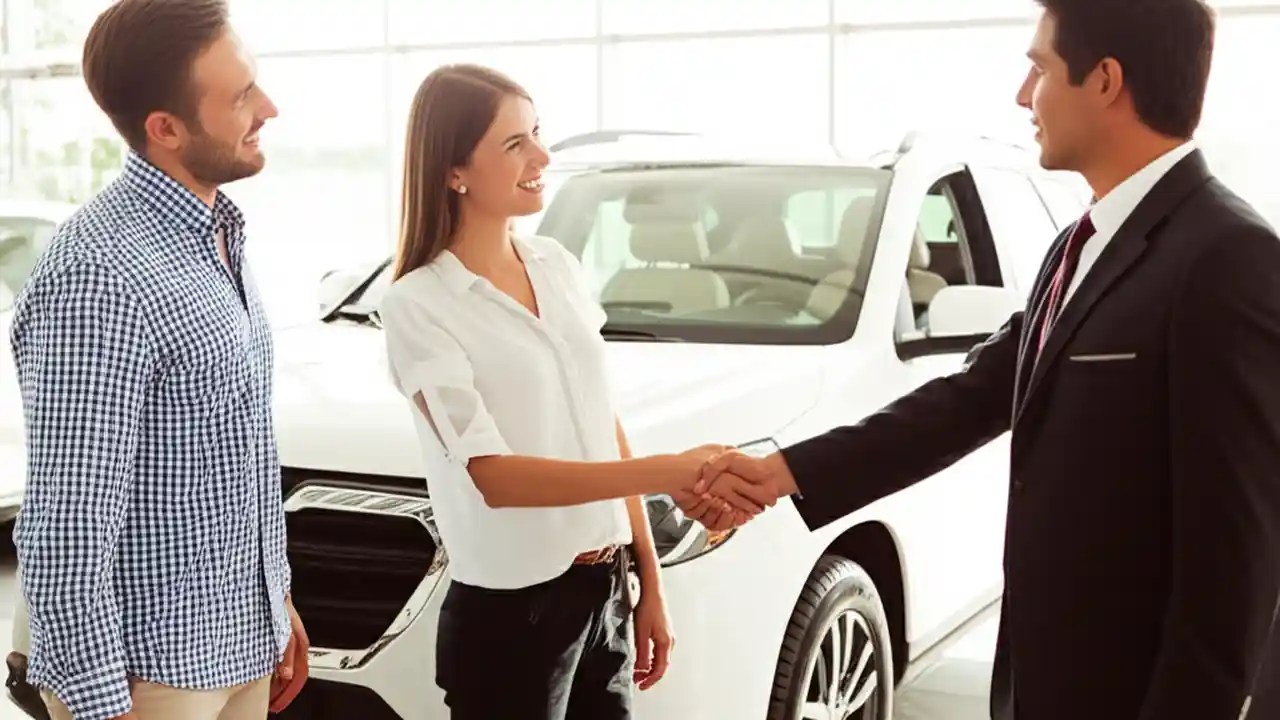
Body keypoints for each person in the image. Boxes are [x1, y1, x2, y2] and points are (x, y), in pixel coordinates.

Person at [695, 1, 1280, 719]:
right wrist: (784, 472)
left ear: (1105, 80)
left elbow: (1236, 560)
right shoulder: (1077, 244)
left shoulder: (1227, 257)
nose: (1021, 96)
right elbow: (969, 400)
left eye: (1038, 69)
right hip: (1042, 677)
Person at [378, 64, 768, 720]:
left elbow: (600, 420)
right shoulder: (418, 305)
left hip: (604, 591)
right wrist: (672, 470)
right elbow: (496, 479)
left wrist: (649, 582)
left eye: (537, 133)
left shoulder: (556, 265)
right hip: (511, 620)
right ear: (453, 171)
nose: (542, 156)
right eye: (514, 144)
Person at [8, 1, 309, 719]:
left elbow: (225, 457)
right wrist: (95, 699)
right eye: (240, 98)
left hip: (235, 641)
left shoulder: (216, 236)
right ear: (165, 129)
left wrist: (275, 601)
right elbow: (65, 522)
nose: (268, 107)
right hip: (148, 677)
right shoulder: (99, 273)